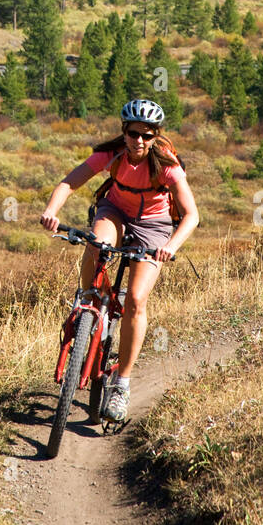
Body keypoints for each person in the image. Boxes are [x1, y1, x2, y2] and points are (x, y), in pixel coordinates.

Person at [40, 98, 199, 422]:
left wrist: (171, 245)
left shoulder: (167, 165)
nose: (139, 140)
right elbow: (70, 182)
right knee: (95, 243)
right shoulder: (110, 155)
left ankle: (122, 384)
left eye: (147, 134)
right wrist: (51, 211)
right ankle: (88, 297)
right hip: (115, 212)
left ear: (155, 136)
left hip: (154, 225)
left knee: (137, 300)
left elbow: (191, 215)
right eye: (133, 132)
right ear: (123, 131)